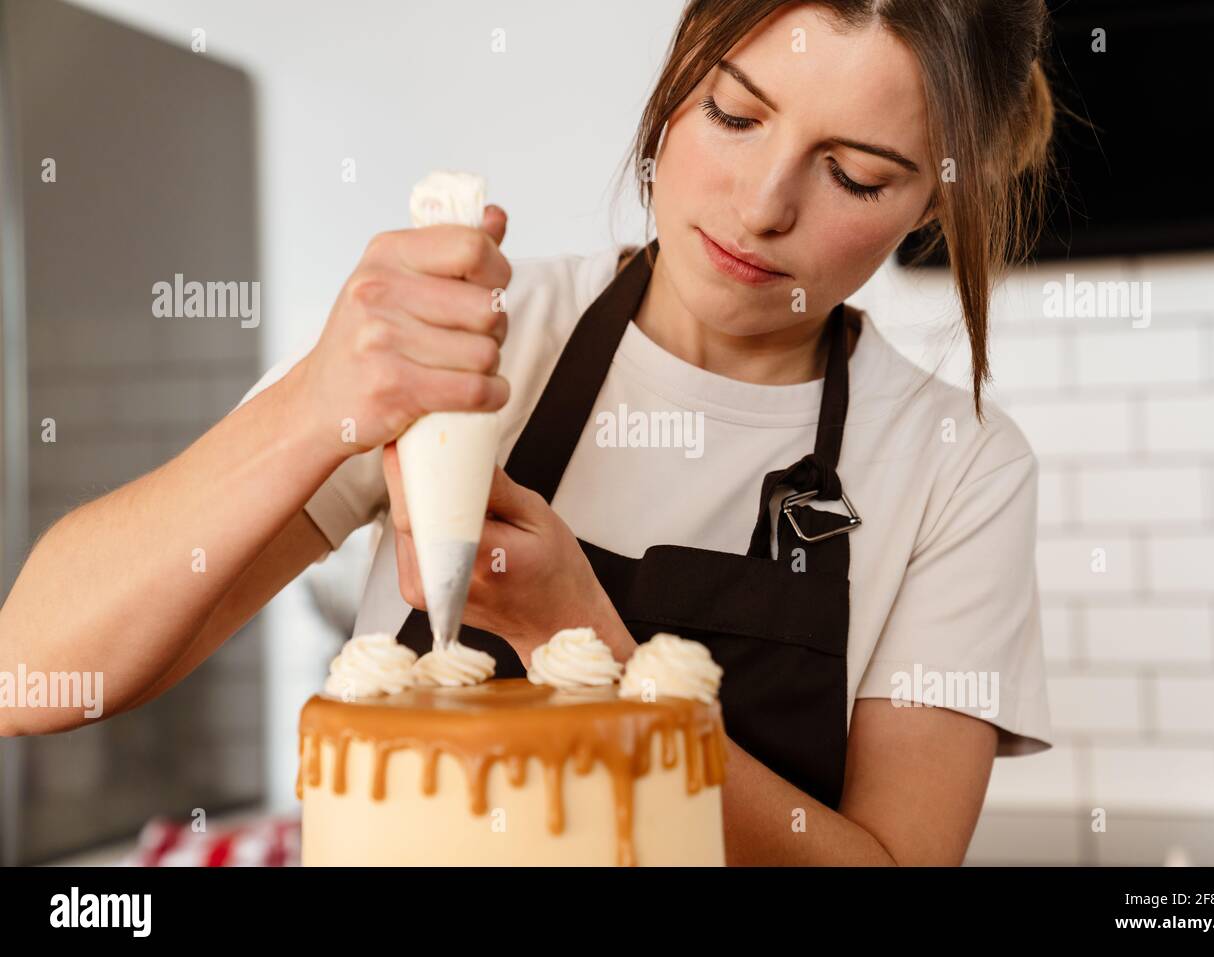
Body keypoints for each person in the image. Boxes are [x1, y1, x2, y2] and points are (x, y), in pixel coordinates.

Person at [0, 0, 1058, 865]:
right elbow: (31, 675)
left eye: (854, 174)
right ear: (682, 76)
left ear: (931, 201)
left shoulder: (955, 466)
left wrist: (585, 644)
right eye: (733, 116)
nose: (760, 204)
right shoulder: (470, 340)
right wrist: (318, 401)